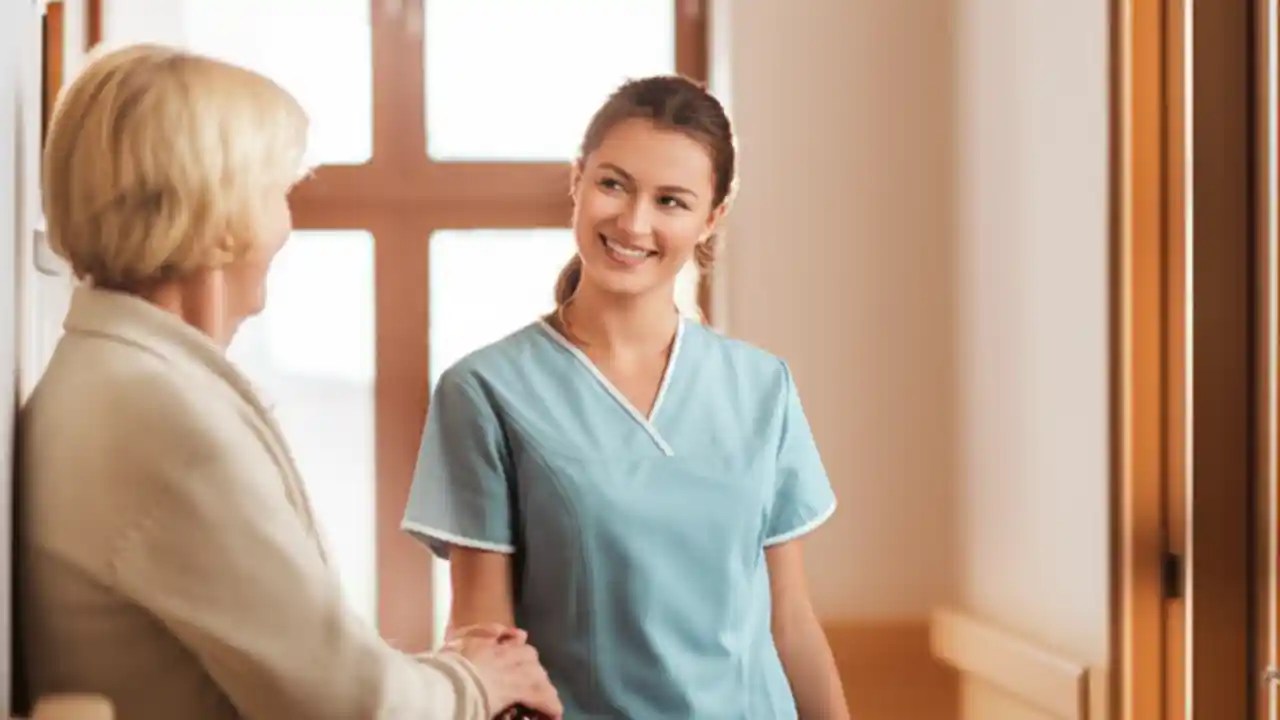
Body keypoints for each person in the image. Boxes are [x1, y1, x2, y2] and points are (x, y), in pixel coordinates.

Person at [18, 43, 561, 720]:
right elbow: (348, 705)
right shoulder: (159, 417)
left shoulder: (126, 380)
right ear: (220, 223)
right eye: (279, 193)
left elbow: (301, 668)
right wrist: (477, 681)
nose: (287, 223)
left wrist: (459, 673)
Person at [401, 76, 848, 718]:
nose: (634, 222)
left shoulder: (761, 388)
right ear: (577, 182)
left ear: (711, 219)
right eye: (614, 184)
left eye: (671, 201)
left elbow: (792, 625)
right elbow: (484, 642)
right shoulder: (487, 391)